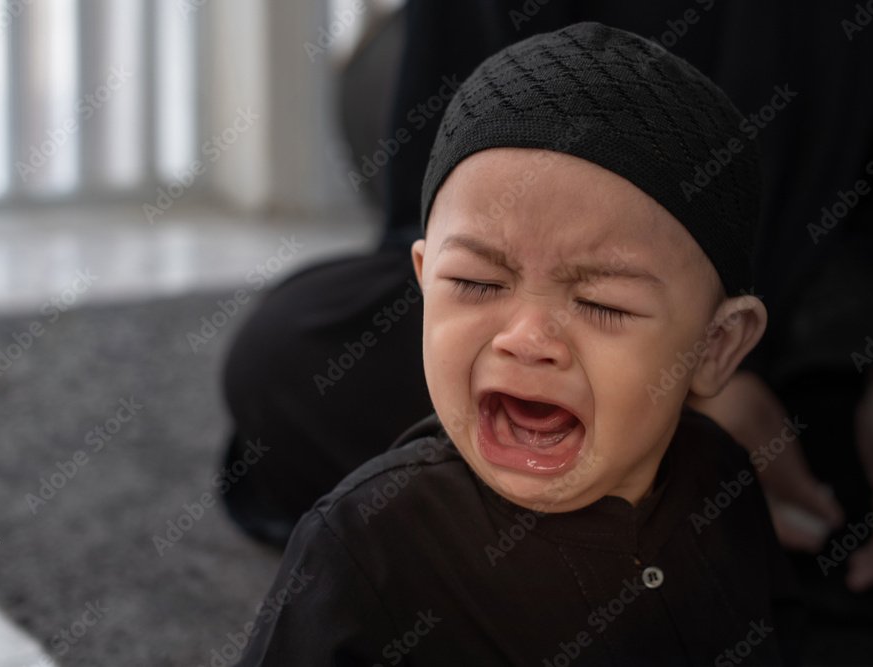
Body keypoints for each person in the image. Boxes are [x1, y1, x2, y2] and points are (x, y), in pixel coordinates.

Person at [236, 23, 803, 665]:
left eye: (603, 304)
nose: (528, 339)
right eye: (477, 283)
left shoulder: (721, 480)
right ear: (424, 280)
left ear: (716, 345)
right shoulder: (365, 548)